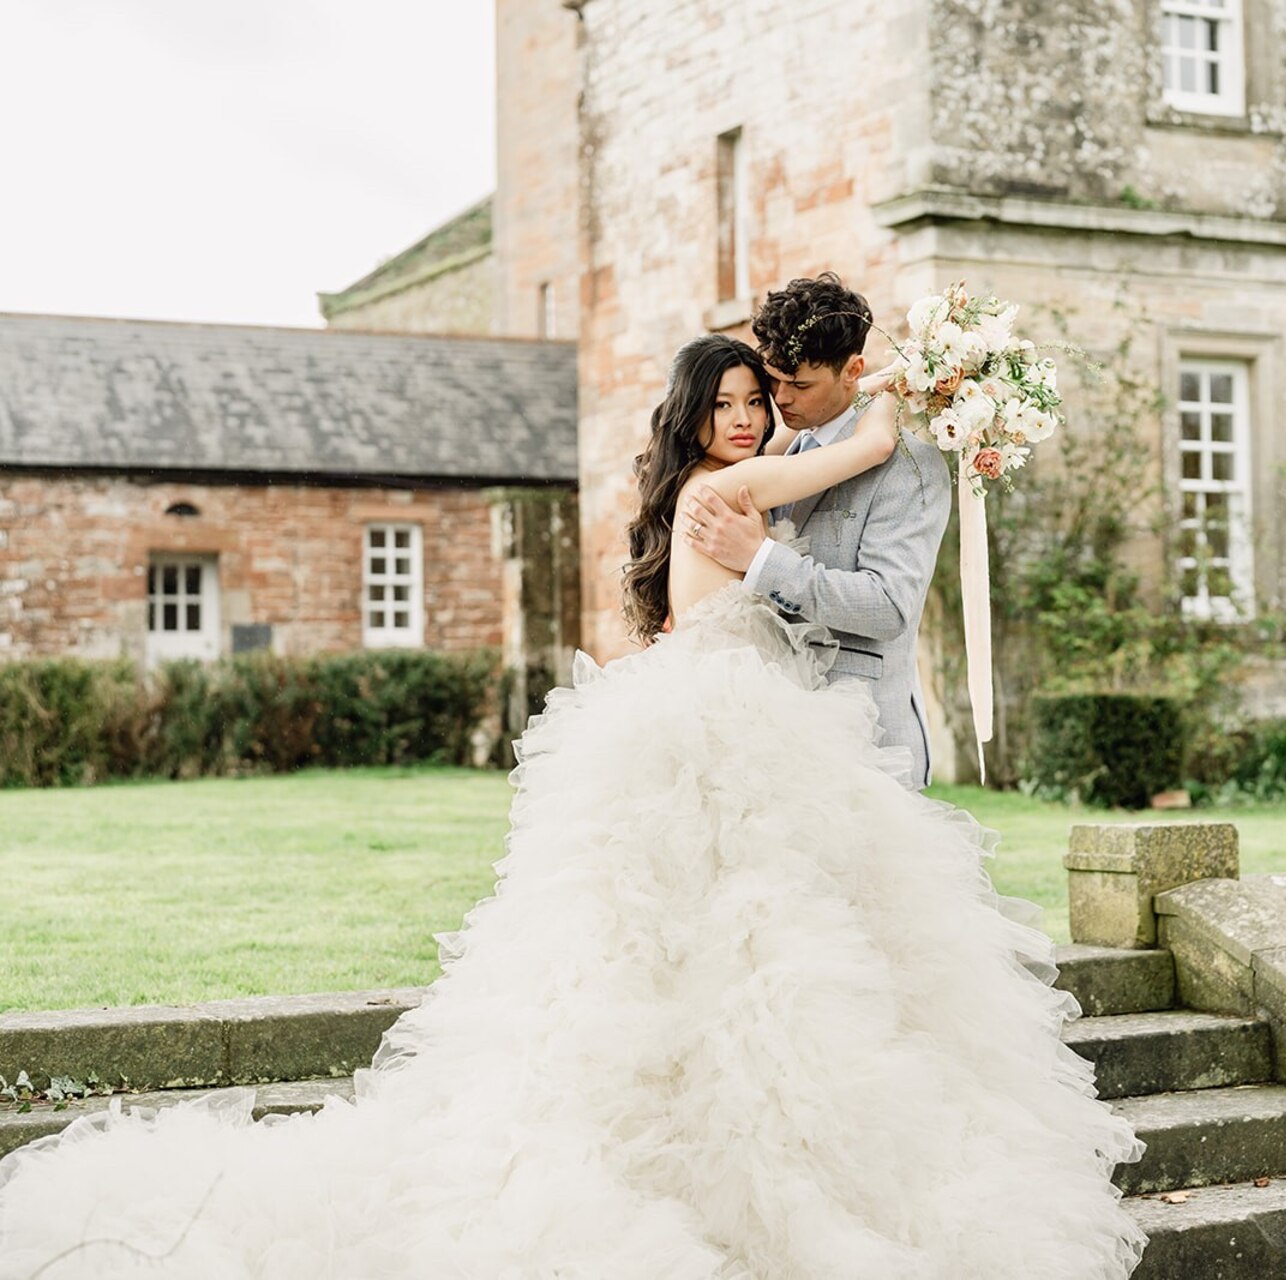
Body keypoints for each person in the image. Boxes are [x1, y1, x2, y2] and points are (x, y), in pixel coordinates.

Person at [0, 333, 1146, 1279]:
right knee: (741, 920)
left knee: (722, 929)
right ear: (696, 417)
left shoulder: (699, 492)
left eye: (758, 400)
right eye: (730, 403)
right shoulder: (730, 489)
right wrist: (914, 376)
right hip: (730, 722)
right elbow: (875, 445)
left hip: (714, 707)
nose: (749, 419)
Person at [681, 273, 950, 790]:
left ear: (853, 370)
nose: (780, 399)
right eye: (773, 380)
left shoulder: (910, 469)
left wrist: (760, 559)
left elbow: (889, 606)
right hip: (771, 744)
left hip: (868, 747)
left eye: (800, 385)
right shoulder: (781, 453)